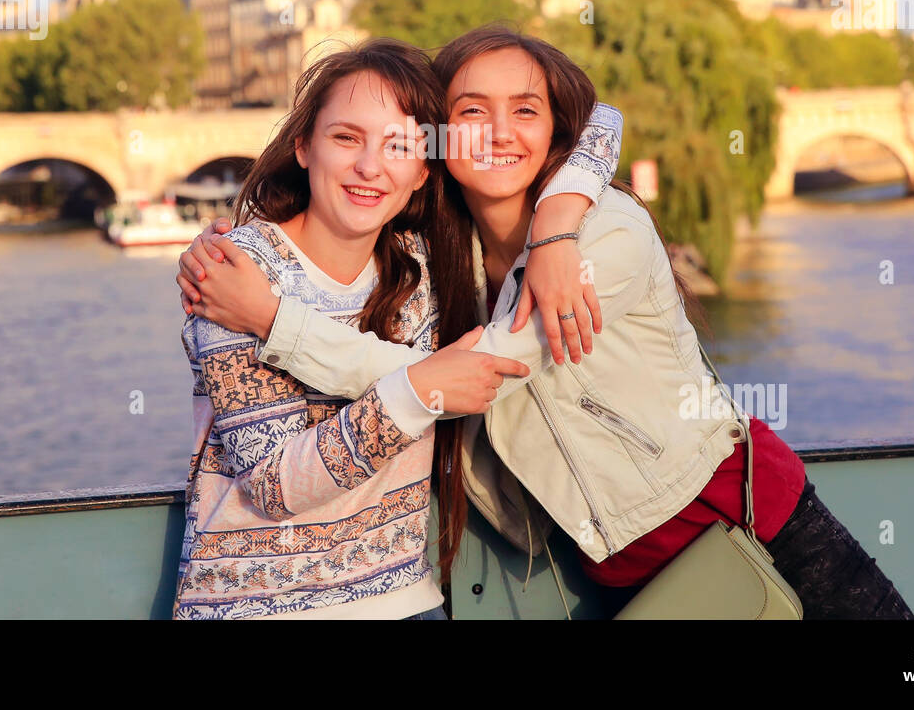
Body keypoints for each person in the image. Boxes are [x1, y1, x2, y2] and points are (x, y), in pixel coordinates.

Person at [178, 25, 914, 620]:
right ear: (437, 146)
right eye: (471, 112)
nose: (500, 131)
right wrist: (252, 249)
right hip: (619, 561)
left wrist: (275, 318)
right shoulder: (442, 256)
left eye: (525, 110)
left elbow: (465, 380)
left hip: (744, 513)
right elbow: (429, 377)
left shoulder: (610, 235)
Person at [173, 36, 621, 619]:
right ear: (304, 146)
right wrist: (423, 390)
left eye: (400, 145)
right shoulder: (236, 274)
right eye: (346, 138)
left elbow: (603, 121)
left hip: (405, 597)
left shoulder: (427, 262)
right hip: (262, 607)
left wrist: (557, 225)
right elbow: (274, 485)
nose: (369, 166)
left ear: (423, 170)